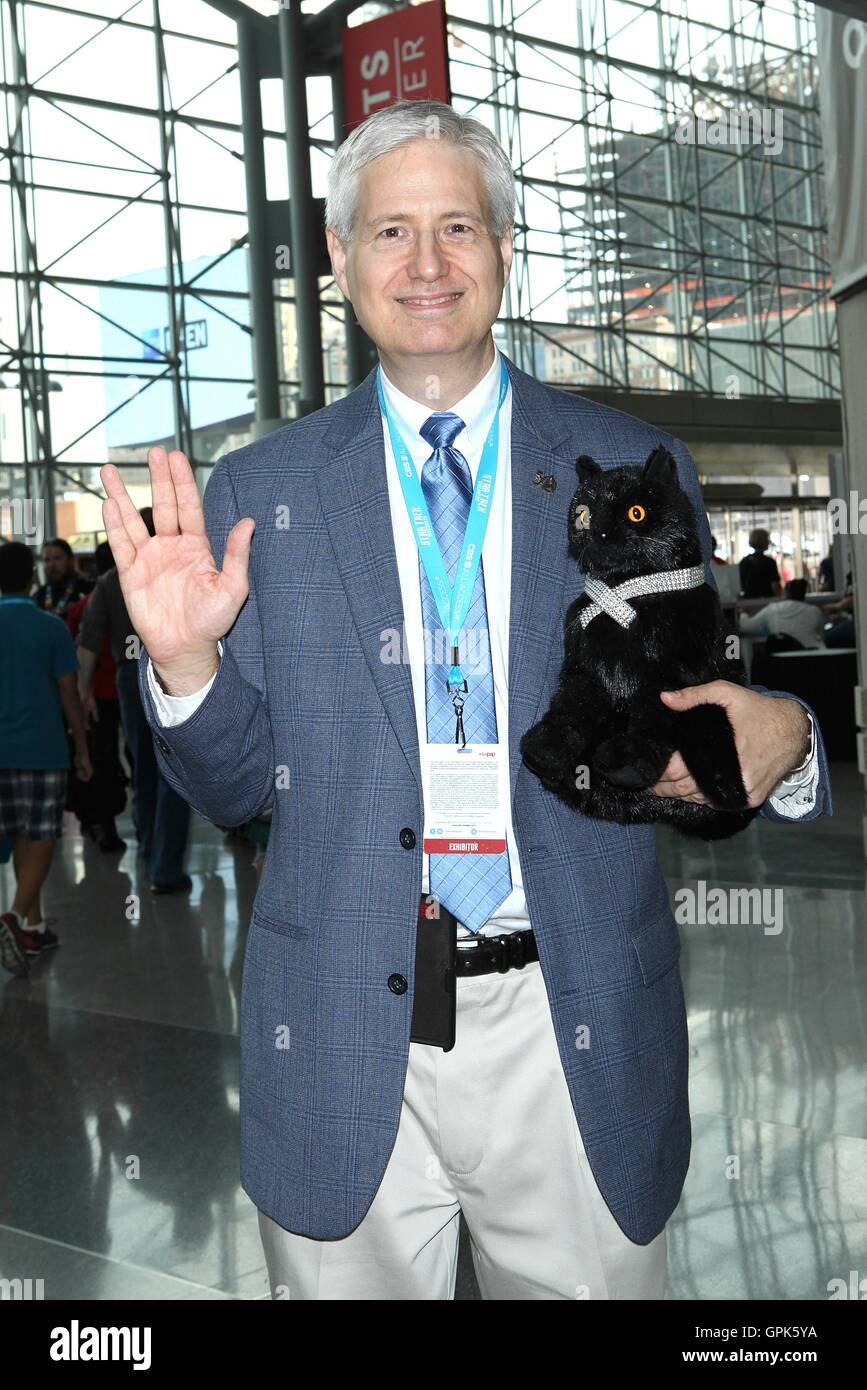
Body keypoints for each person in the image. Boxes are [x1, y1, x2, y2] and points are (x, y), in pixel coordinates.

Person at [99, 100, 830, 1301]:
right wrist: (186, 669)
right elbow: (234, 786)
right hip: (341, 1021)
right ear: (338, 260)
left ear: (504, 245)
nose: (427, 265)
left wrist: (789, 736)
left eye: (459, 227)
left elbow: (701, 713)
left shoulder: (632, 467)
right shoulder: (262, 488)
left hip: (573, 1014)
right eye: (390, 232)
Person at [76, 511, 191, 892]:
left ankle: (149, 856)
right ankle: (166, 868)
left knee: (143, 767)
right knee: (173, 771)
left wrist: (83, 692)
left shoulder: (110, 581)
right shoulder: (175, 573)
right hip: (171, 669)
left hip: (130, 675)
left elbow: (89, 641)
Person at [0, 542, 92, 977]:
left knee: (21, 836)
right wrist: (82, 748)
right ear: (32, 576)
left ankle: (33, 927)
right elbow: (69, 694)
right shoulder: (50, 627)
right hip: (41, 748)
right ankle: (15, 917)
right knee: (41, 837)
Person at [67, 541, 127, 853]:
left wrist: (81, 690)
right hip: (124, 691)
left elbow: (77, 650)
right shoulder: (129, 596)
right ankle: (143, 827)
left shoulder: (82, 606)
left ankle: (106, 826)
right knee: (137, 758)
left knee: (103, 760)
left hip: (97, 697)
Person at [738, 578, 826, 651]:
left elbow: (746, 627)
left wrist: (743, 613)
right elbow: (821, 636)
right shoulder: (814, 611)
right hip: (813, 657)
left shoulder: (772, 609)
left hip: (782, 660)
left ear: (785, 593)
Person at [35, 537, 91, 618]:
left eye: (57, 558)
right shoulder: (39, 596)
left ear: (71, 560)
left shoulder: (86, 590)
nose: (51, 565)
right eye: (47, 560)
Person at [738, 527, 782, 599]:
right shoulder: (769, 562)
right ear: (763, 541)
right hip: (767, 600)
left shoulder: (744, 561)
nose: (769, 542)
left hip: (748, 600)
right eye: (767, 539)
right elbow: (775, 586)